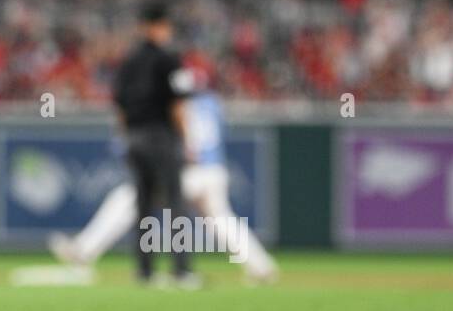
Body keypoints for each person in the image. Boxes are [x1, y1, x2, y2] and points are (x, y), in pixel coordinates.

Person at [48, 86, 279, 284]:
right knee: (222, 220)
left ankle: (83, 250)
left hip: (190, 171)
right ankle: (261, 266)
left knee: (129, 197)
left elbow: (178, 135)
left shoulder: (176, 104)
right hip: (214, 171)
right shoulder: (211, 102)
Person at [110, 3, 196, 286]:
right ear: (160, 26)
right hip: (161, 135)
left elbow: (119, 107)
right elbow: (178, 106)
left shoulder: (128, 61)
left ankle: (145, 271)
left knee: (144, 204)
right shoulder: (170, 59)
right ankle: (181, 270)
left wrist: (128, 137)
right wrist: (187, 140)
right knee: (175, 203)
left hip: (135, 137)